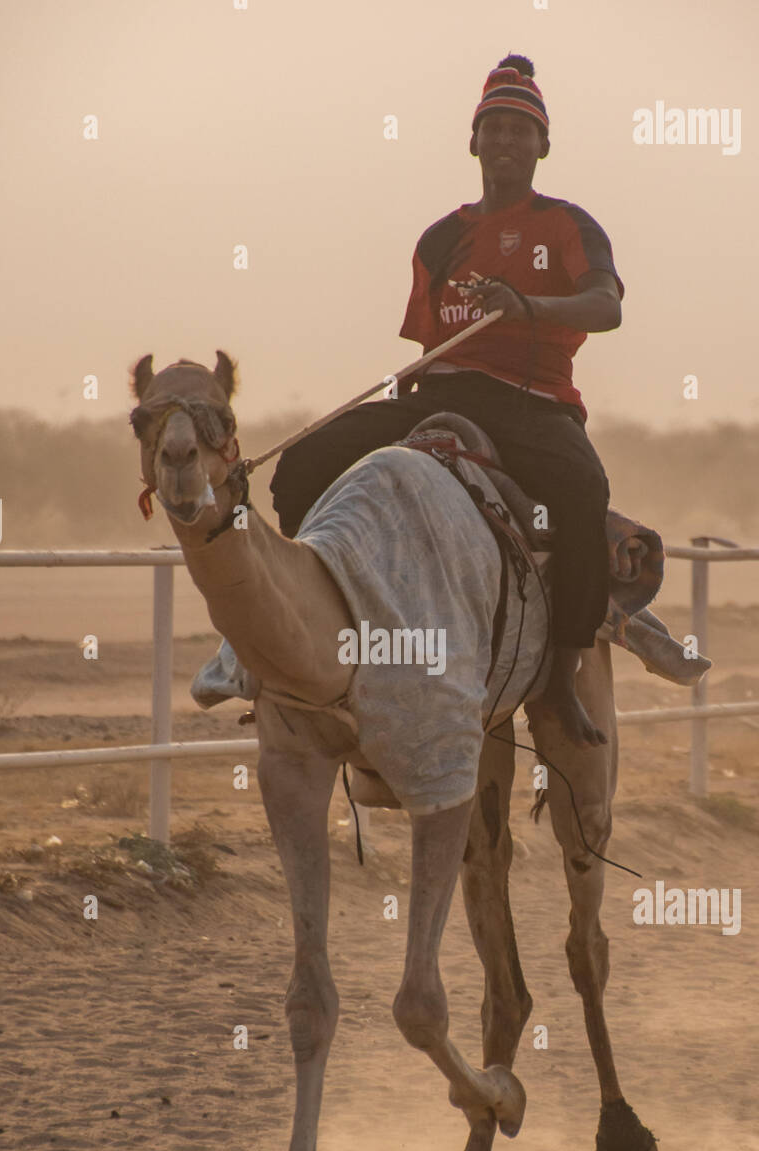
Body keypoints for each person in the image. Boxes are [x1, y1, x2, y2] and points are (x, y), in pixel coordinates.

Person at [271, 53, 624, 747]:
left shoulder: (569, 225)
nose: (505, 142)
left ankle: (559, 673)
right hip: (442, 387)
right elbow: (431, 342)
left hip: (531, 399)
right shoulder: (439, 239)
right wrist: (411, 383)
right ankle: (312, 642)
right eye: (493, 128)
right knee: (302, 467)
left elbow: (607, 306)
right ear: (473, 141)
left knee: (584, 488)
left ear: (542, 145)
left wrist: (528, 306)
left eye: (520, 131)